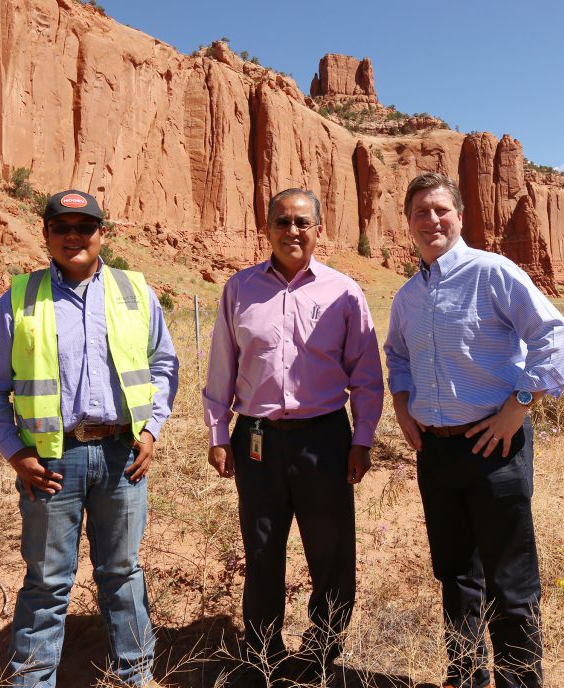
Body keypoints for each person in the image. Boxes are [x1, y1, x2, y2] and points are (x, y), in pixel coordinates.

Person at [0, 189, 179, 688]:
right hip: (50, 461)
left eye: (84, 227)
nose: (73, 236)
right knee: (47, 581)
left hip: (122, 455)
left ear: (103, 234)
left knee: (122, 572)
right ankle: (33, 679)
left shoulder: (134, 291)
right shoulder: (18, 298)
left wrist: (151, 429)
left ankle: (136, 675)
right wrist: (15, 452)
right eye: (62, 227)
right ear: (46, 236)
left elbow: (163, 365)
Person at [384, 173, 564, 688]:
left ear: (460, 216)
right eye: (420, 212)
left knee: (510, 580)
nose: (432, 220)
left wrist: (520, 405)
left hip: (496, 444)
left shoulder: (493, 272)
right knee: (455, 575)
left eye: (441, 210)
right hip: (437, 453)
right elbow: (396, 355)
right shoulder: (406, 298)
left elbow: (555, 336)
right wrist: (402, 406)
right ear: (408, 224)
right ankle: (466, 675)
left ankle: (519, 681)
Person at [203, 188, 384, 681]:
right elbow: (223, 365)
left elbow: (366, 373)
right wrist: (219, 433)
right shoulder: (239, 289)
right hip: (256, 438)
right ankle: (263, 655)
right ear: (267, 229)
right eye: (282, 222)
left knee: (331, 552)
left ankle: (321, 654)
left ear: (319, 229)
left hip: (324, 438)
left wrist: (362, 438)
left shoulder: (344, 291)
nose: (292, 231)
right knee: (262, 550)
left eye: (303, 222)